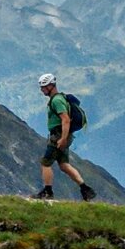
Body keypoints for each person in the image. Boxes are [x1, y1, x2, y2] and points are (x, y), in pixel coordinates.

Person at [33, 73, 96, 201]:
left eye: (44, 87)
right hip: (63, 135)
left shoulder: (56, 100)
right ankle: (85, 189)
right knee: (63, 164)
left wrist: (62, 139)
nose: (42, 90)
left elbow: (65, 119)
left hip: (58, 136)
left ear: (51, 86)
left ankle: (47, 191)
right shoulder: (60, 98)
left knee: (46, 163)